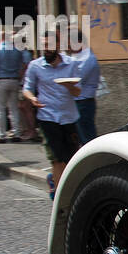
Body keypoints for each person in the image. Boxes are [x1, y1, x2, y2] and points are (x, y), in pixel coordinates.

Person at [22, 30, 83, 199]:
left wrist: (70, 87)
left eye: (48, 45)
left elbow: (78, 92)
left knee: (71, 158)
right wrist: (32, 98)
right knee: (56, 158)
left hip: (68, 117)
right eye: (43, 45)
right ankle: (60, 197)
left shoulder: (71, 64)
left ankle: (58, 183)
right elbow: (27, 88)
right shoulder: (35, 66)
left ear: (58, 45)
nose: (45, 49)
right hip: (47, 117)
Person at [0, 28, 28, 142]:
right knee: (14, 108)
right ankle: (16, 133)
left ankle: (1, 134)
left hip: (1, 80)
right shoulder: (17, 50)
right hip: (15, 79)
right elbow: (22, 66)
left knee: (0, 108)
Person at [63, 27, 101, 143]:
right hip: (77, 102)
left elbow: (76, 79)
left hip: (83, 102)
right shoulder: (77, 57)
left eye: (69, 44)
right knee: (79, 136)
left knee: (86, 137)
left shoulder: (88, 59)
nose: (67, 47)